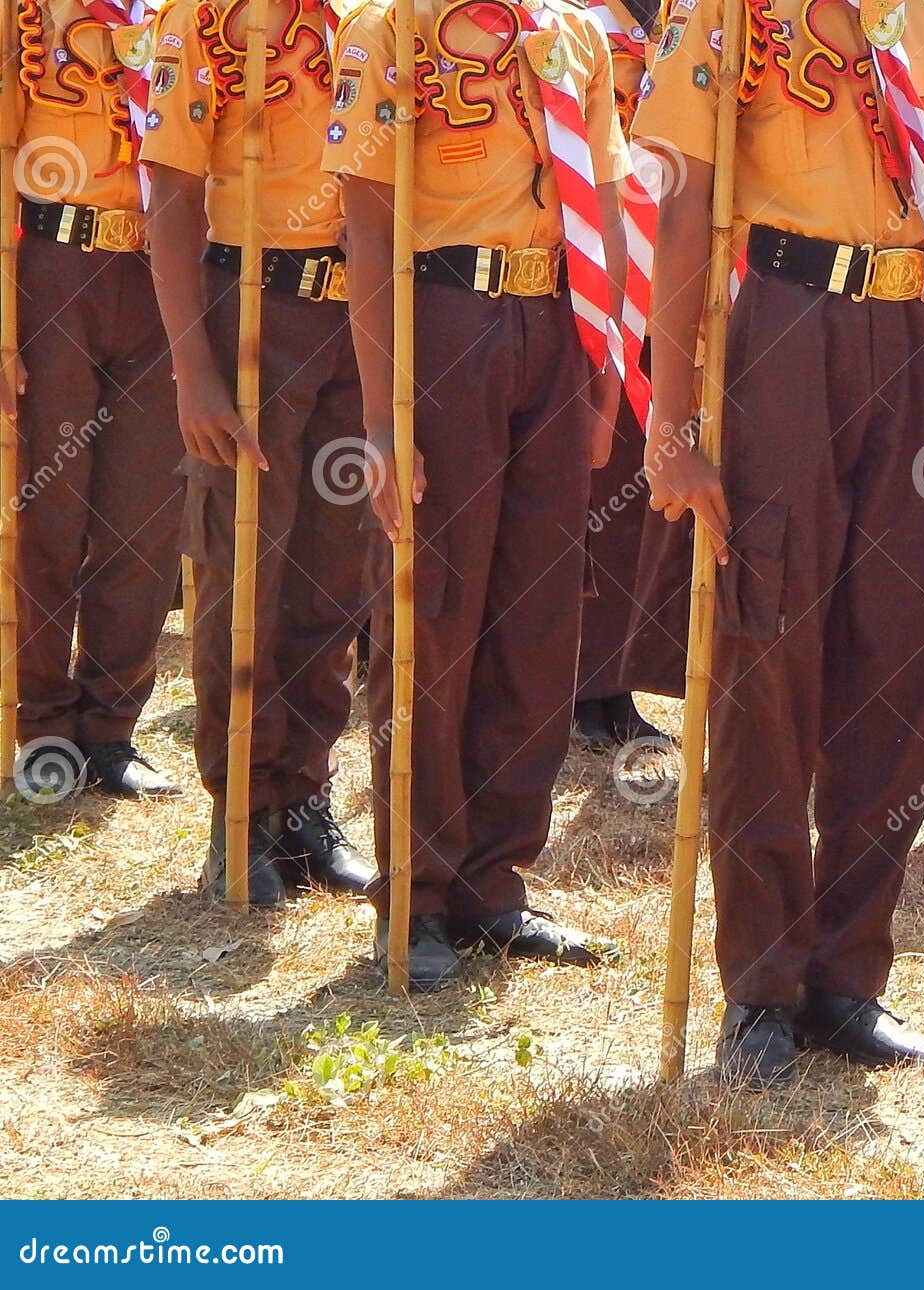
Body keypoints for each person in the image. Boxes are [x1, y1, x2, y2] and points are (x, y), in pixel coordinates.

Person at [637, 0, 924, 1088]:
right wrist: (671, 422)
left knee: (904, 664)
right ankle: (759, 986)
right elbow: (682, 200)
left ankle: (848, 977)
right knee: (769, 651)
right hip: (781, 325)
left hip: (920, 335)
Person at [330, 0, 628, 988]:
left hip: (551, 319)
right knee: (433, 611)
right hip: (443, 317)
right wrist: (381, 418)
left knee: (535, 618)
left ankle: (497, 883)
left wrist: (603, 375)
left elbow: (606, 205)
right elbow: (366, 227)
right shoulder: (390, 27)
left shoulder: (571, 35)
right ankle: (413, 893)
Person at [144, 0, 377, 906]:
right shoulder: (203, 20)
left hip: (358, 310)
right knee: (244, 571)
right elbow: (169, 192)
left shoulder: (375, 21)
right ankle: (237, 809)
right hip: (251, 304)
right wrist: (192, 372)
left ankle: (303, 796)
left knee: (331, 571)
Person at [8, 0, 184, 801]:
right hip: (52, 259)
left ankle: (112, 725)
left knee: (144, 513)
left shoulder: (189, 13)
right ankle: (42, 722)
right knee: (50, 507)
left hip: (159, 268)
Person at [570, 0, 674, 750]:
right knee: (587, 489)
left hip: (672, 279)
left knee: (636, 492)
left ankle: (614, 681)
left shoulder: (687, 19)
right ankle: (572, 680)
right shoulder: (578, 25)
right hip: (594, 277)